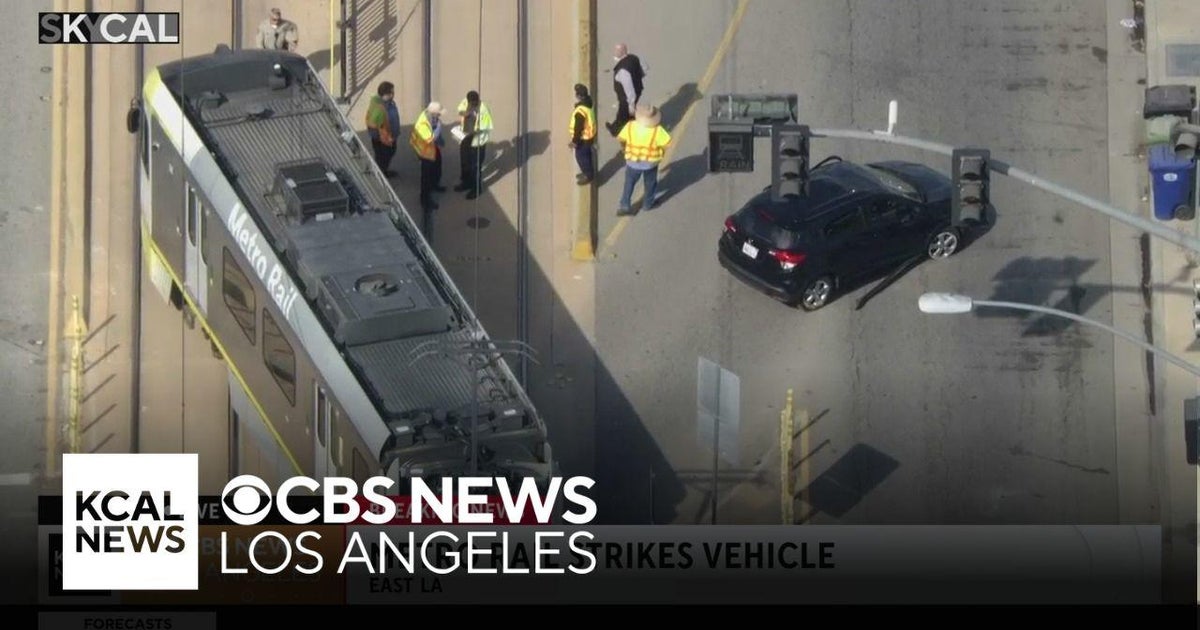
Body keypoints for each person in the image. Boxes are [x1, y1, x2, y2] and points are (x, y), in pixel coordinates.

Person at [616, 104, 670, 216]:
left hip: (632, 161)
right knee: (650, 184)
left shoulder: (630, 126)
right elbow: (666, 144)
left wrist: (623, 148)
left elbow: (621, 139)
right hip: (650, 163)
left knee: (629, 183)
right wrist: (661, 153)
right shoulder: (657, 130)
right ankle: (647, 204)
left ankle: (625, 206)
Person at [454, 91, 493, 200]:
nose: (472, 105)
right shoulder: (466, 103)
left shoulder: (484, 110)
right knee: (465, 161)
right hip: (466, 137)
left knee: (475, 166)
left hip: (478, 141)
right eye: (470, 103)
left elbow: (485, 127)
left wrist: (473, 129)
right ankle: (466, 182)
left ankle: (476, 189)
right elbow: (460, 110)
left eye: (474, 103)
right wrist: (465, 113)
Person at [411, 102, 447, 210]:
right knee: (426, 176)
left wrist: (441, 141)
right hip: (425, 152)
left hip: (432, 149)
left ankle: (435, 185)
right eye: (439, 114)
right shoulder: (422, 123)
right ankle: (425, 200)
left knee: (437, 167)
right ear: (433, 113)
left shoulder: (432, 117)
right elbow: (431, 138)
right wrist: (439, 128)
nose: (440, 116)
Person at [605, 43, 645, 137]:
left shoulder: (623, 71)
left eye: (616, 51)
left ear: (621, 52)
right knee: (624, 112)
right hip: (638, 89)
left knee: (624, 113)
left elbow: (629, 89)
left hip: (626, 97)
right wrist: (637, 78)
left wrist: (631, 103)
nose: (614, 53)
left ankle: (616, 130)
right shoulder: (634, 58)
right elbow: (644, 69)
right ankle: (624, 125)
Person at [366, 82, 400, 177]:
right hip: (383, 139)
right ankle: (381, 176)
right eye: (392, 92)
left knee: (389, 154)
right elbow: (372, 125)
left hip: (388, 137)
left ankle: (383, 171)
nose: (393, 94)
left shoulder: (388, 103)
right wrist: (379, 138)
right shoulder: (380, 109)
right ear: (386, 94)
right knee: (383, 157)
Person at [568, 84, 597, 185]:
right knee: (587, 155)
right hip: (589, 137)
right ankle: (588, 172)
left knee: (581, 157)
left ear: (579, 96)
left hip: (583, 138)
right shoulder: (588, 102)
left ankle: (588, 176)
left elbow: (578, 128)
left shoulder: (580, 112)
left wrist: (574, 142)